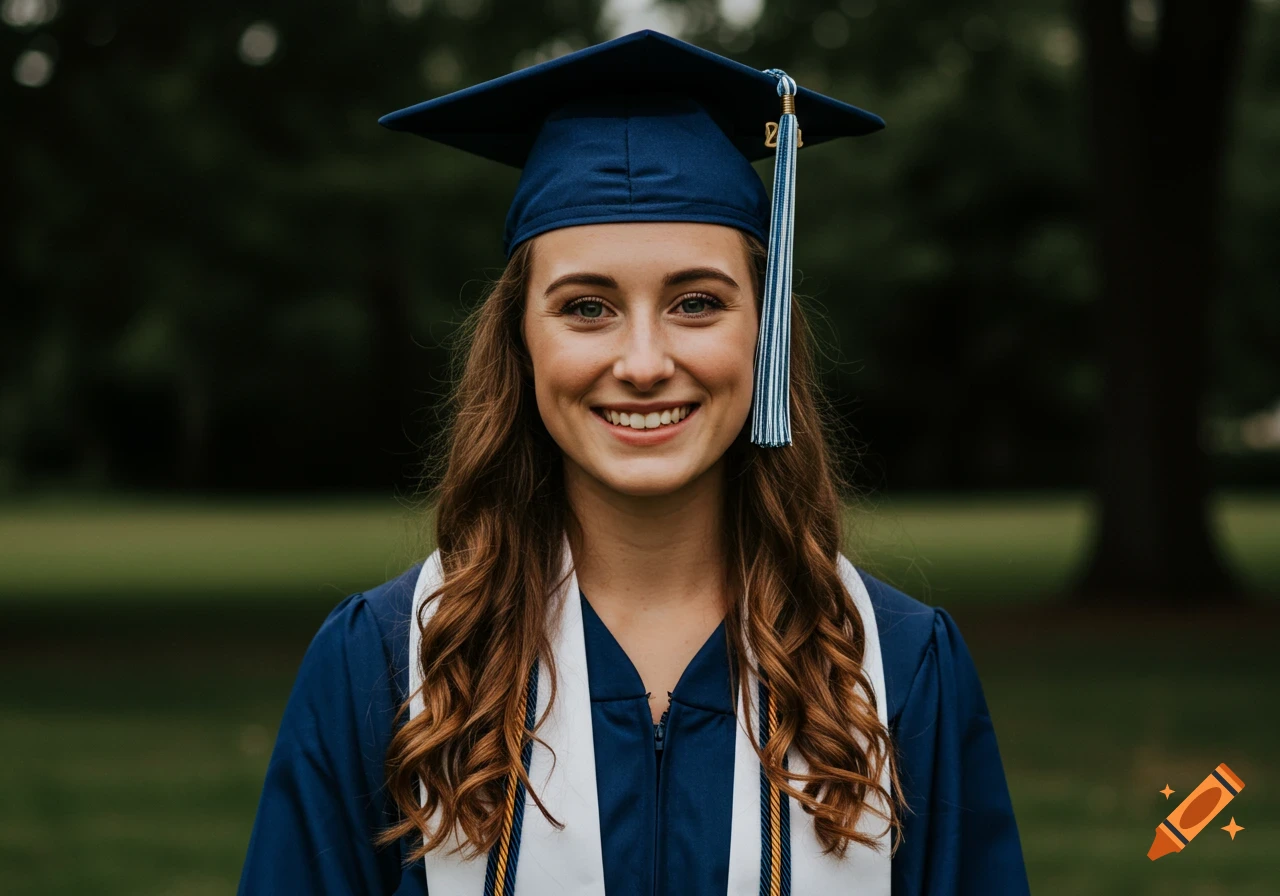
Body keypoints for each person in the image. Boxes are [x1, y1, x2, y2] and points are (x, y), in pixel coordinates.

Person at [237, 30, 1029, 896]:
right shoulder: (389, 670)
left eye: (697, 303)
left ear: (763, 333)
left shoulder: (895, 672)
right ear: (520, 340)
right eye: (587, 307)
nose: (645, 361)